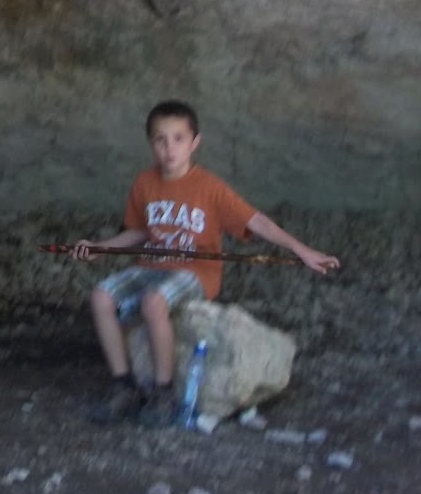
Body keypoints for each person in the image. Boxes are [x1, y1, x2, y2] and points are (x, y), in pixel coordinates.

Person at [73, 99, 340, 428]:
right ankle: (123, 384)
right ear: (150, 143)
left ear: (194, 143)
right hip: (152, 266)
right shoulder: (145, 183)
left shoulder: (209, 188)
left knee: (153, 303)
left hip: (196, 272)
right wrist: (100, 248)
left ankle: (162, 392)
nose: (169, 148)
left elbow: (257, 222)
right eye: (160, 139)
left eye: (178, 138)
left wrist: (302, 251)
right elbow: (139, 233)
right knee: (101, 296)